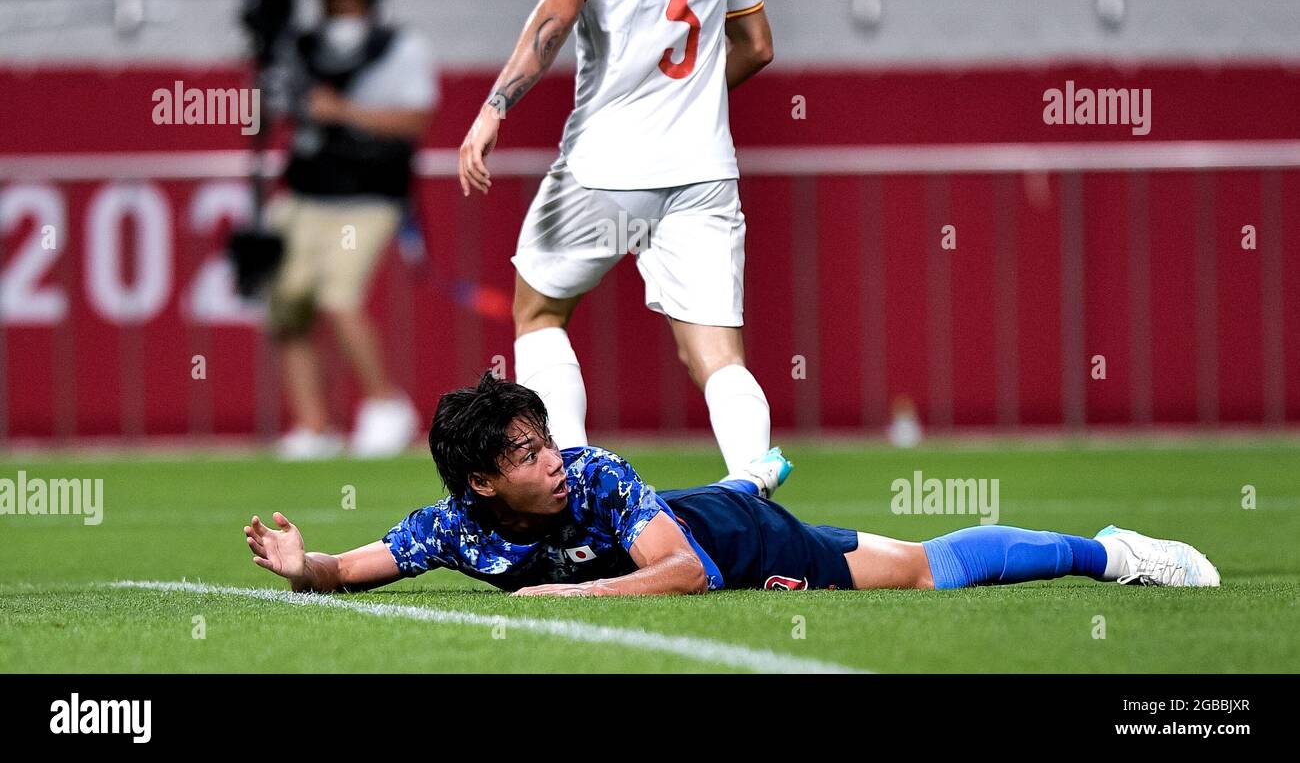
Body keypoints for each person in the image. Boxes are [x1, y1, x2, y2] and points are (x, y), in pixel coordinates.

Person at [243, 374, 1221, 596]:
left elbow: (680, 572)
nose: (551, 455)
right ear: (478, 480)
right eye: (526, 450)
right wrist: (304, 564)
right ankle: (746, 469)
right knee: (729, 487)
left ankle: (1114, 552)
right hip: (694, 509)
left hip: (739, 538)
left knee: (926, 571)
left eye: (544, 439)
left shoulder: (593, 475)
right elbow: (347, 567)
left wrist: (570, 594)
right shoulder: (451, 526)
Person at [455, 0, 776, 479]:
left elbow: (557, 13)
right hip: (704, 168)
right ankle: (754, 487)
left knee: (539, 311)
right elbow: (757, 47)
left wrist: (493, 108)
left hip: (606, 164)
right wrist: (687, 105)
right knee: (717, 356)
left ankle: (573, 477)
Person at [267, 0, 437, 459]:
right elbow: (277, 108)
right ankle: (313, 424)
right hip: (305, 194)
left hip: (369, 197)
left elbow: (414, 118)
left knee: (339, 298)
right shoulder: (301, 47)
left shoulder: (400, 48)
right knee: (289, 302)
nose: (340, 8)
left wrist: (342, 111)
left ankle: (386, 404)